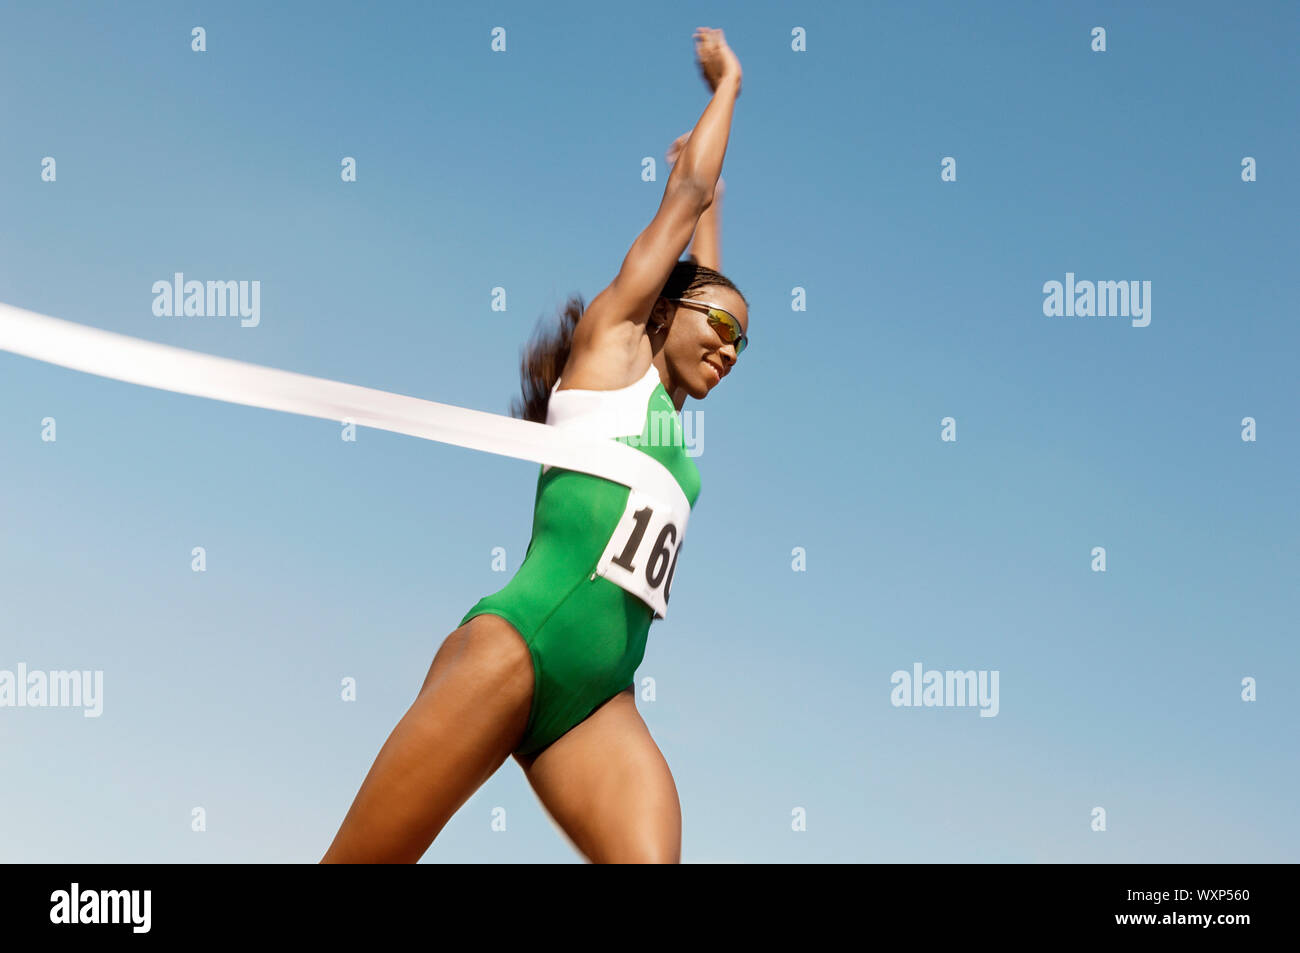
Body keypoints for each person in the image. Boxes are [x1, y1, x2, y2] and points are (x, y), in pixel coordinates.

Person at [321, 27, 748, 864]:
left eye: (746, 343)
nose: (732, 349)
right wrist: (729, 85)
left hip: (600, 704)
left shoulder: (665, 414)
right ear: (667, 308)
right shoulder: (612, 348)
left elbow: (706, 258)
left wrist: (716, 210)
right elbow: (686, 204)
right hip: (511, 654)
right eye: (724, 328)